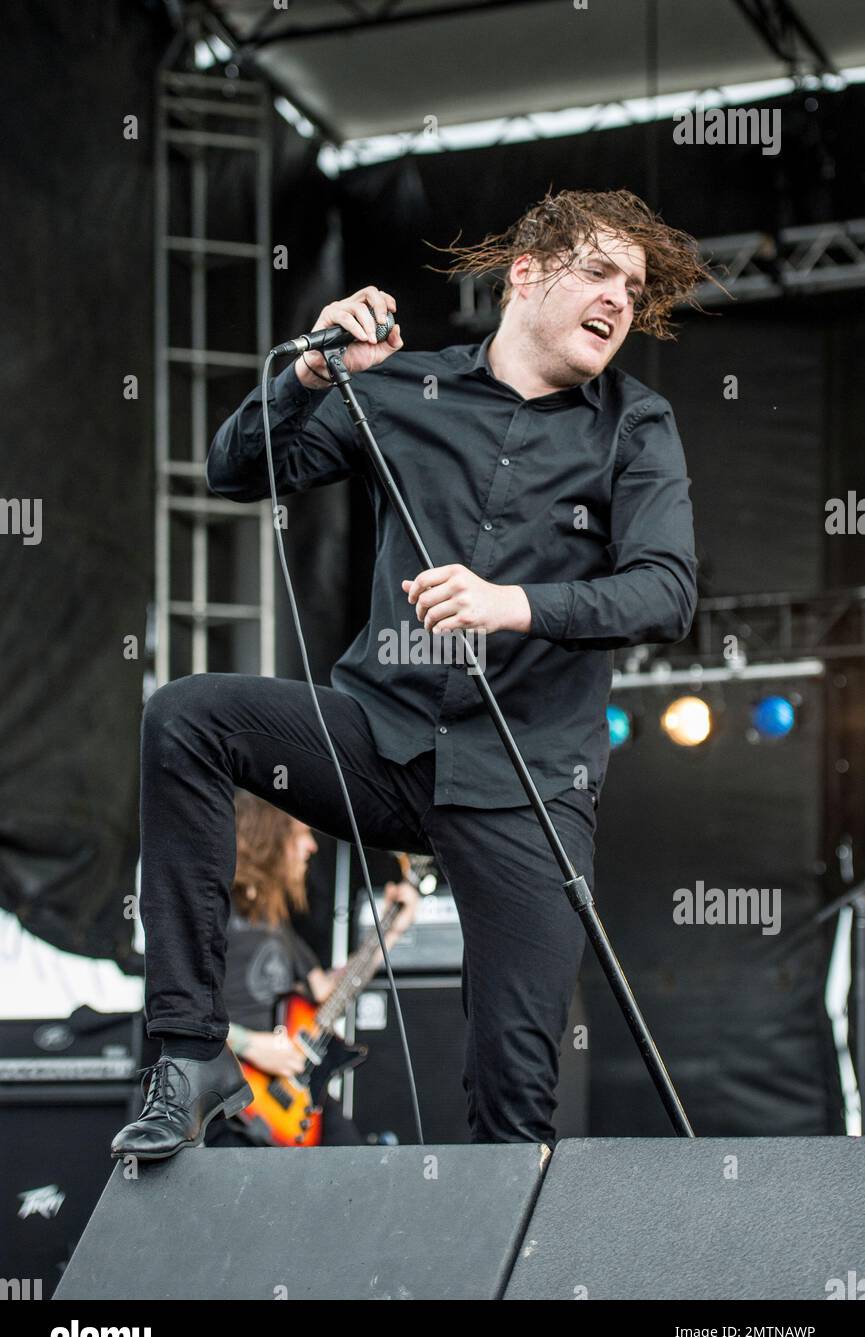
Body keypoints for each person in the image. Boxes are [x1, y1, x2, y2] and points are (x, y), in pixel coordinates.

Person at [112, 187, 707, 1160]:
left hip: (526, 790)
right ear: (526, 273)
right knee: (185, 716)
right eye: (598, 271)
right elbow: (235, 469)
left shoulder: (634, 424)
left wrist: (508, 602)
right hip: (379, 740)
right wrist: (308, 370)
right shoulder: (404, 386)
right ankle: (187, 1050)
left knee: (514, 1093)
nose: (619, 300)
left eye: (633, 289)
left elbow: (665, 593)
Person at [205, 790, 418, 1149]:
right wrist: (249, 1045)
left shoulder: (277, 924)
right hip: (232, 1095)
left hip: (291, 1093)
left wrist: (391, 928)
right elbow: (170, 1005)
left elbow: (327, 992)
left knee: (359, 1171)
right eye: (301, 833)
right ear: (269, 836)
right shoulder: (213, 911)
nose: (312, 847)